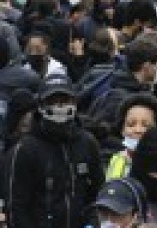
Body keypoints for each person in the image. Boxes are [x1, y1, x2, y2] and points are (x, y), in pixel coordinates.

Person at [6, 73, 103, 228]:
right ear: (41, 105)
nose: (59, 107)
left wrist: (92, 223)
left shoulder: (88, 143)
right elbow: (16, 206)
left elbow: (98, 194)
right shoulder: (25, 149)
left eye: (65, 100)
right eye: (53, 101)